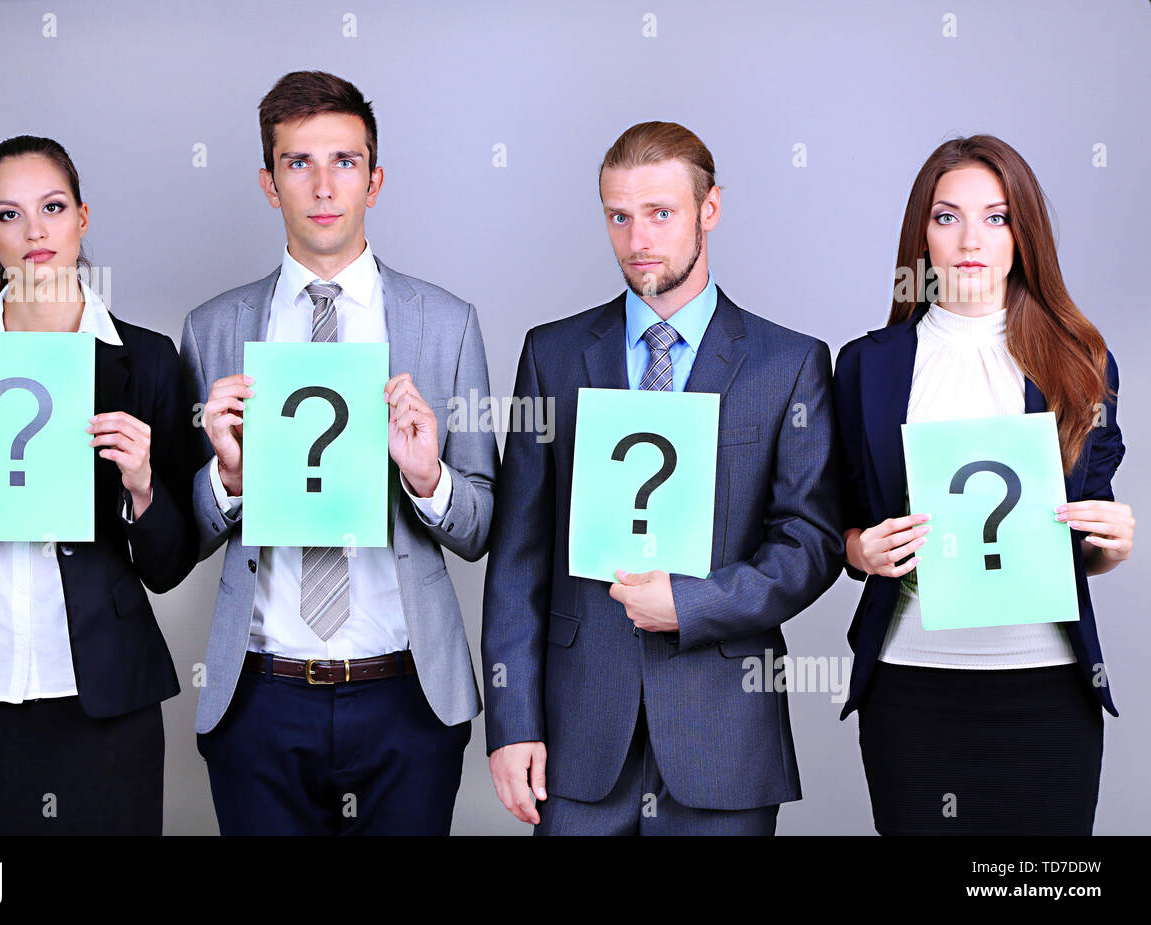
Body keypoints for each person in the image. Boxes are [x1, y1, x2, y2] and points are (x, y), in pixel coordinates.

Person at [481, 121, 844, 835]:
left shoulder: (789, 363)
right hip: (578, 735)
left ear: (710, 210)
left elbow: (811, 542)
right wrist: (511, 721)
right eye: (619, 216)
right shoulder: (551, 355)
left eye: (660, 213)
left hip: (723, 734)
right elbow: (518, 555)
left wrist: (694, 602)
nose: (637, 237)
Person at [180, 70, 498, 835]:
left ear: (375, 178)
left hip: (407, 696)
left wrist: (427, 478)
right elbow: (178, 538)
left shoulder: (446, 323)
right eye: (298, 162)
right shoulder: (213, 328)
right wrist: (226, 478)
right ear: (269, 182)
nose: (323, 185)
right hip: (259, 698)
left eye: (345, 161)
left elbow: (483, 523)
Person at [0, 135, 199, 835]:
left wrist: (143, 485)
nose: (34, 231)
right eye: (8, 214)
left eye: (52, 207)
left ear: (82, 217)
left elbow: (171, 564)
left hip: (105, 700)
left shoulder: (145, 359)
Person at [833, 134, 1134, 835]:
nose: (971, 238)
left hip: (1048, 688)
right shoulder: (866, 367)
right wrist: (860, 549)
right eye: (947, 216)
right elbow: (834, 527)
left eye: (996, 217)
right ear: (923, 233)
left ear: (1023, 233)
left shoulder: (1082, 360)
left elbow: (1085, 530)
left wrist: (1111, 545)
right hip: (911, 687)